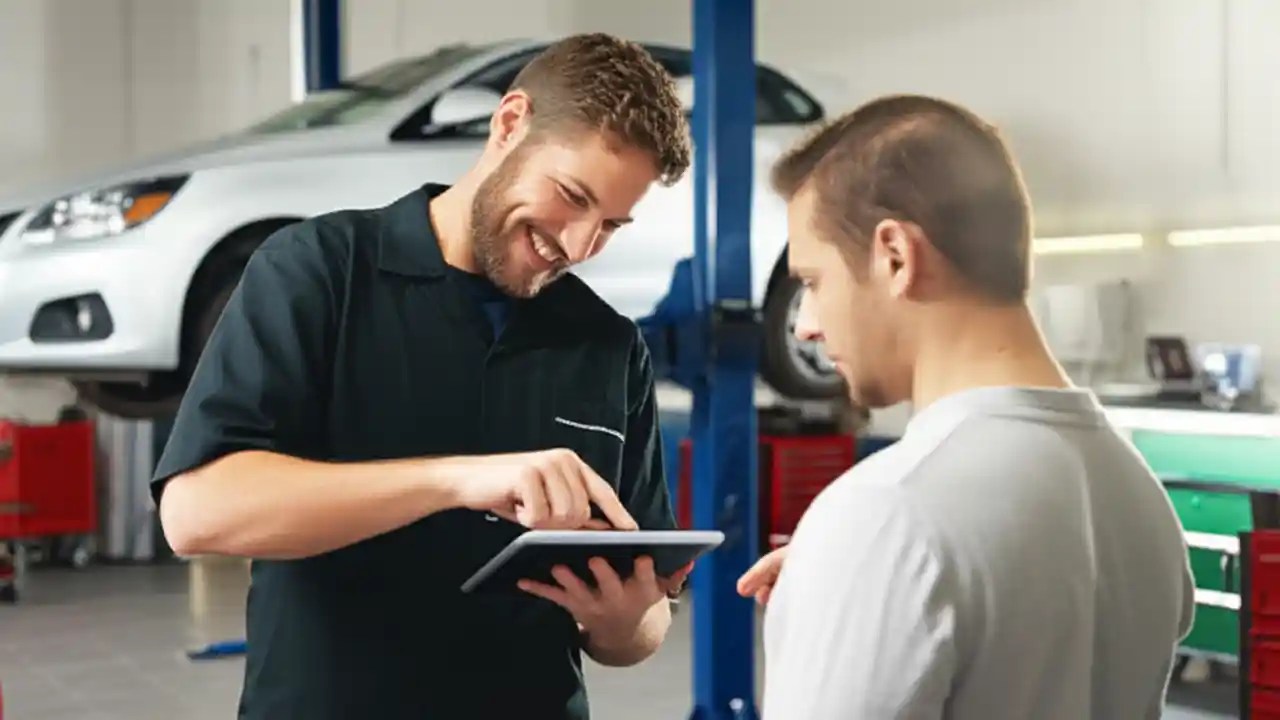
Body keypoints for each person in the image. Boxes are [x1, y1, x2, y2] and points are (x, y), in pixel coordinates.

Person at [152, 34, 692, 720]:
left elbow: (645, 623)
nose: (580, 244)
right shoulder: (319, 273)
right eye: (570, 195)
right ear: (510, 123)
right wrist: (458, 481)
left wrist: (622, 621)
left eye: (611, 224)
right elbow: (196, 513)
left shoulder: (608, 346)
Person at [736, 95, 1196, 719]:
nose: (805, 325)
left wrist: (861, 561)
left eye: (813, 282)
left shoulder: (887, 511)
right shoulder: (1136, 493)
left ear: (895, 256)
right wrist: (867, 579)